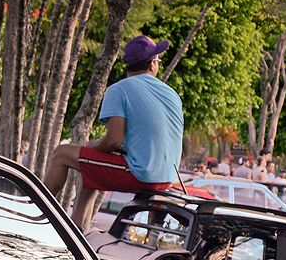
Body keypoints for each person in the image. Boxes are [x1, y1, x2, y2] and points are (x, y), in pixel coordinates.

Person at [43, 35, 183, 231]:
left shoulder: (118, 90)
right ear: (152, 64)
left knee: (62, 153)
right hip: (167, 176)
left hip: (142, 174)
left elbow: (113, 141)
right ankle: (77, 229)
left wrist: (91, 145)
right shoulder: (171, 94)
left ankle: (36, 212)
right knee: (91, 166)